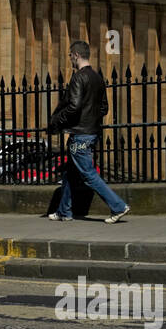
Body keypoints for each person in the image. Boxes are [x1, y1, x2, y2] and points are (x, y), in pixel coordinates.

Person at [47, 40, 130, 223]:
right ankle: (64, 211)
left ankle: (118, 206)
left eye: (70, 55)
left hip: (80, 135)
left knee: (88, 174)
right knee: (70, 173)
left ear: (76, 55)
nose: (69, 59)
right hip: (92, 133)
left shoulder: (78, 78)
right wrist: (90, 120)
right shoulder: (97, 78)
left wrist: (58, 121)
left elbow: (74, 107)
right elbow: (104, 108)